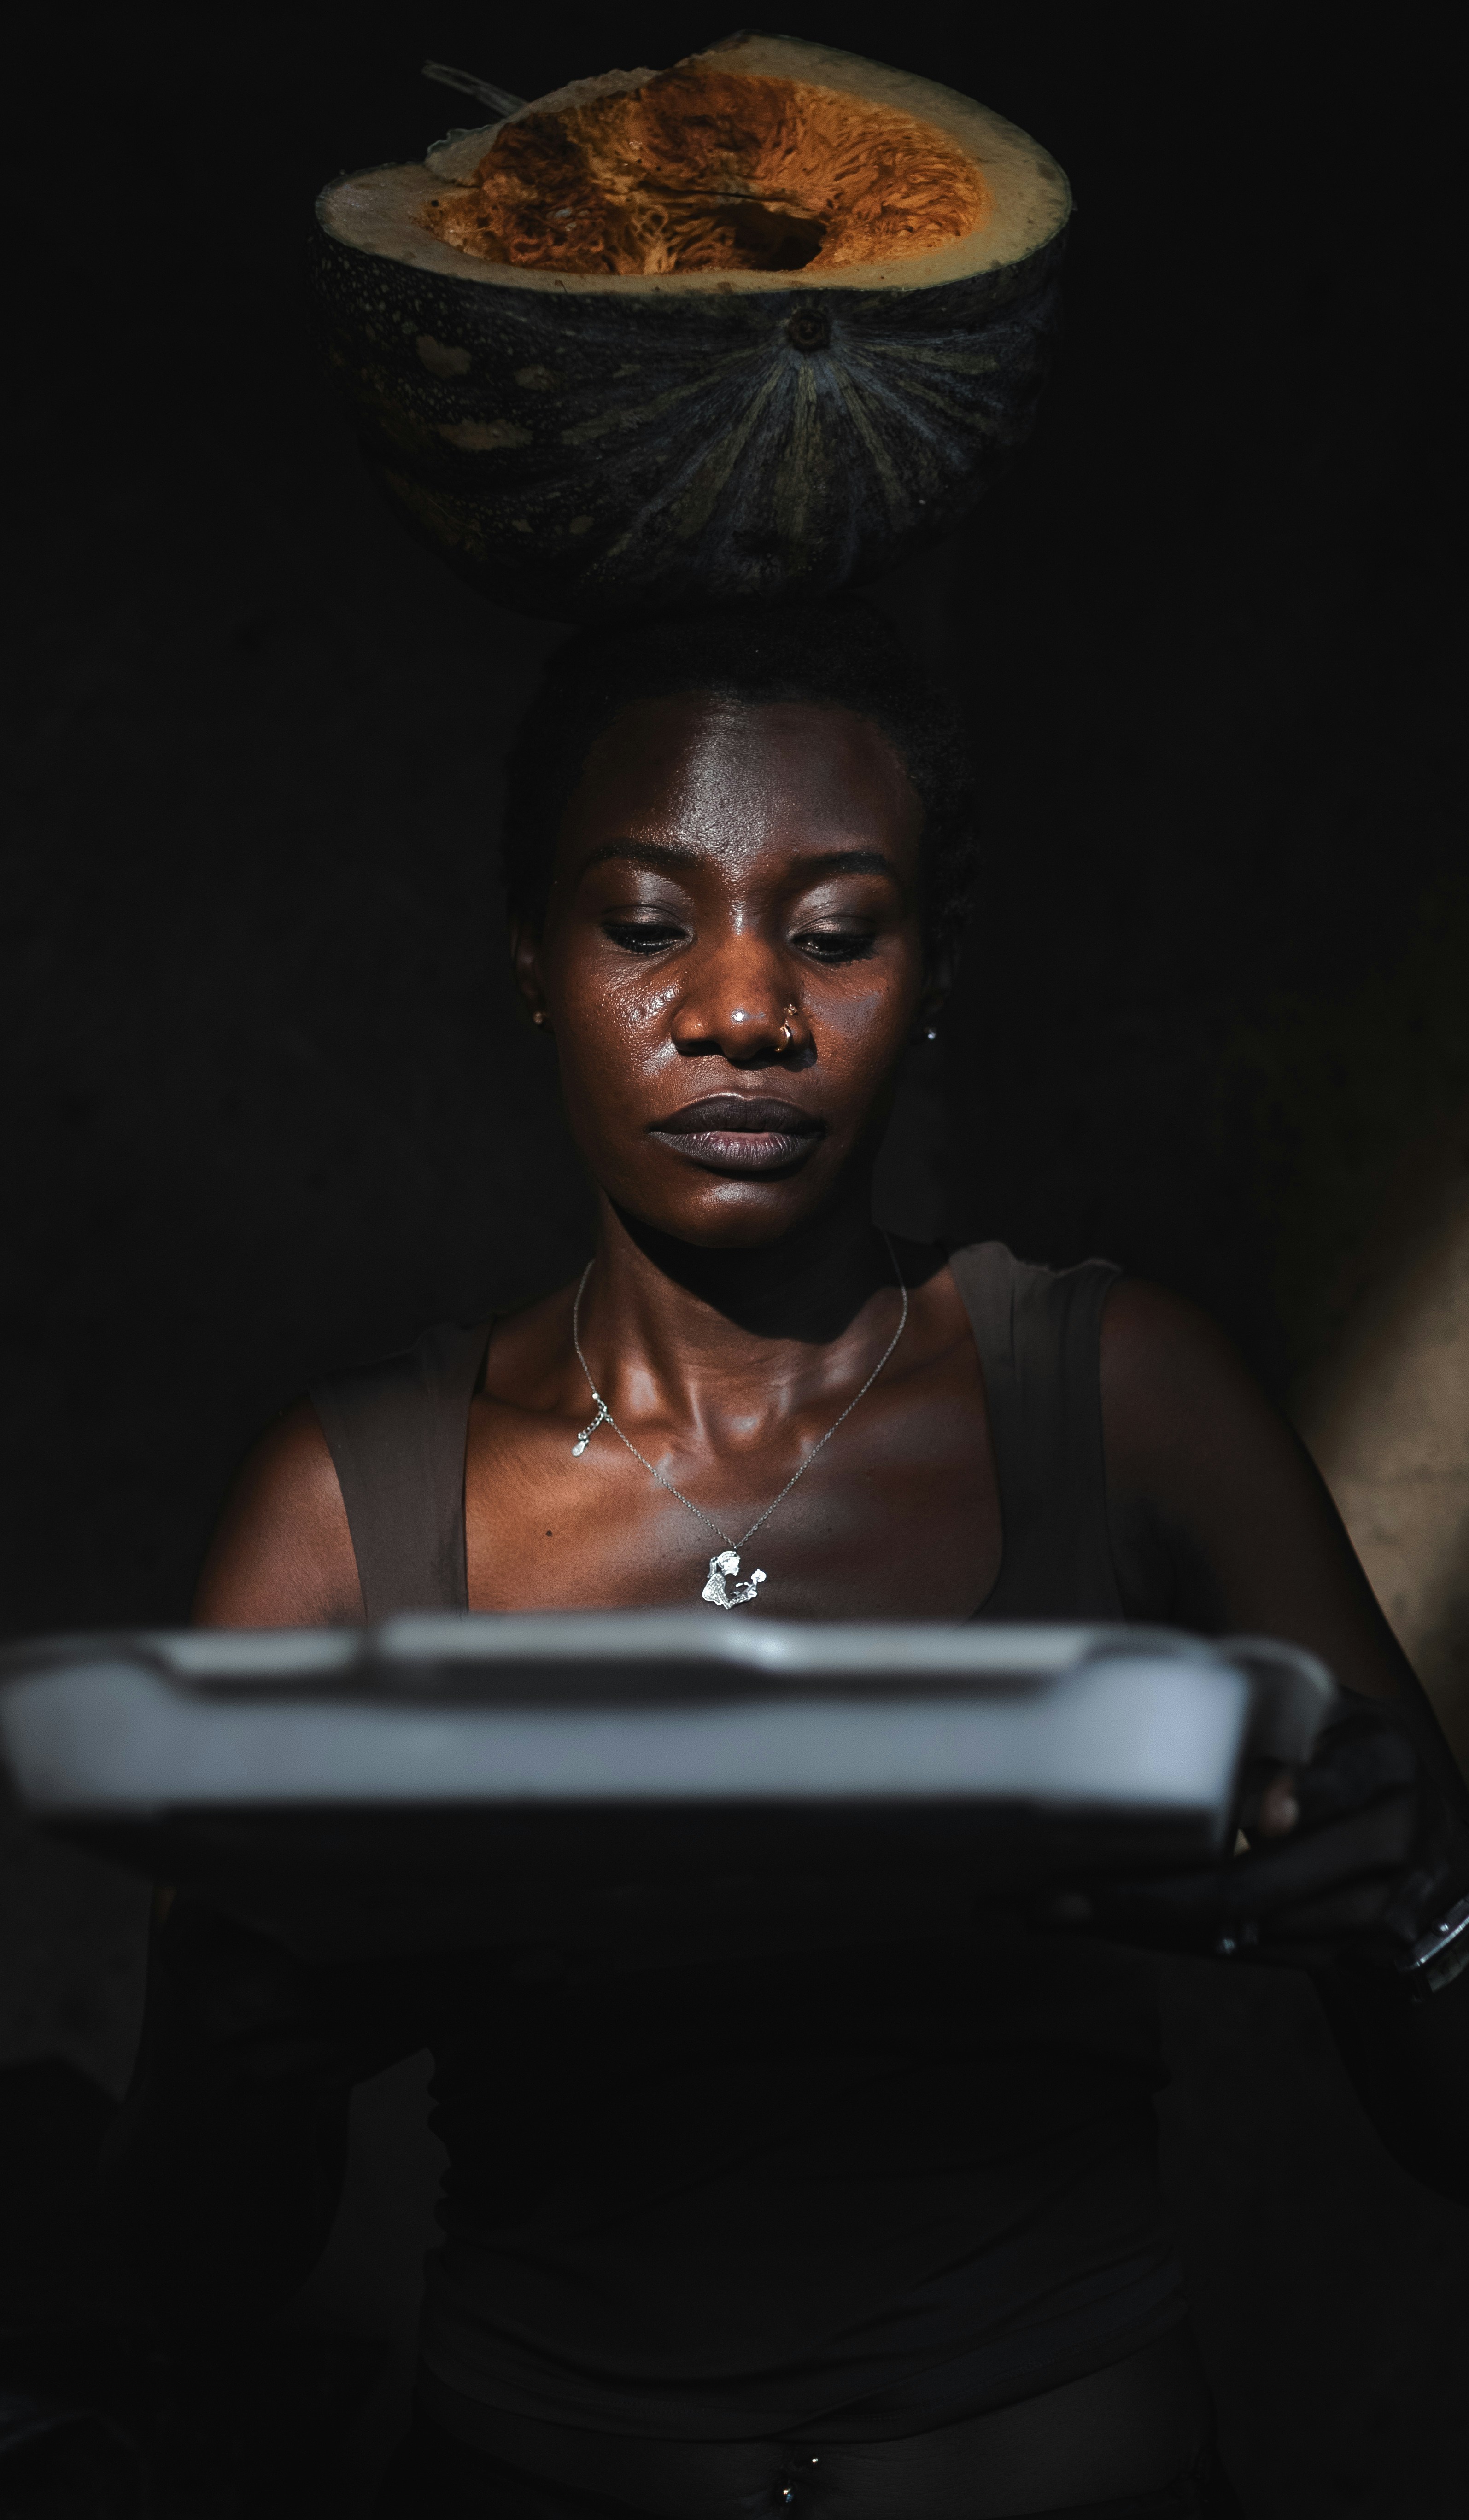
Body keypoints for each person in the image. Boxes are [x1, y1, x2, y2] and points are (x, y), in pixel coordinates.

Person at [118, 604, 1469, 2518]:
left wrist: (1419, 1907)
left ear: (928, 974)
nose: (743, 1008)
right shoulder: (344, 1509)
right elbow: (191, 2286)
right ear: (530, 956)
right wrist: (235, 2035)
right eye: (648, 921)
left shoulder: (1120, 1396)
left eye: (833, 931)